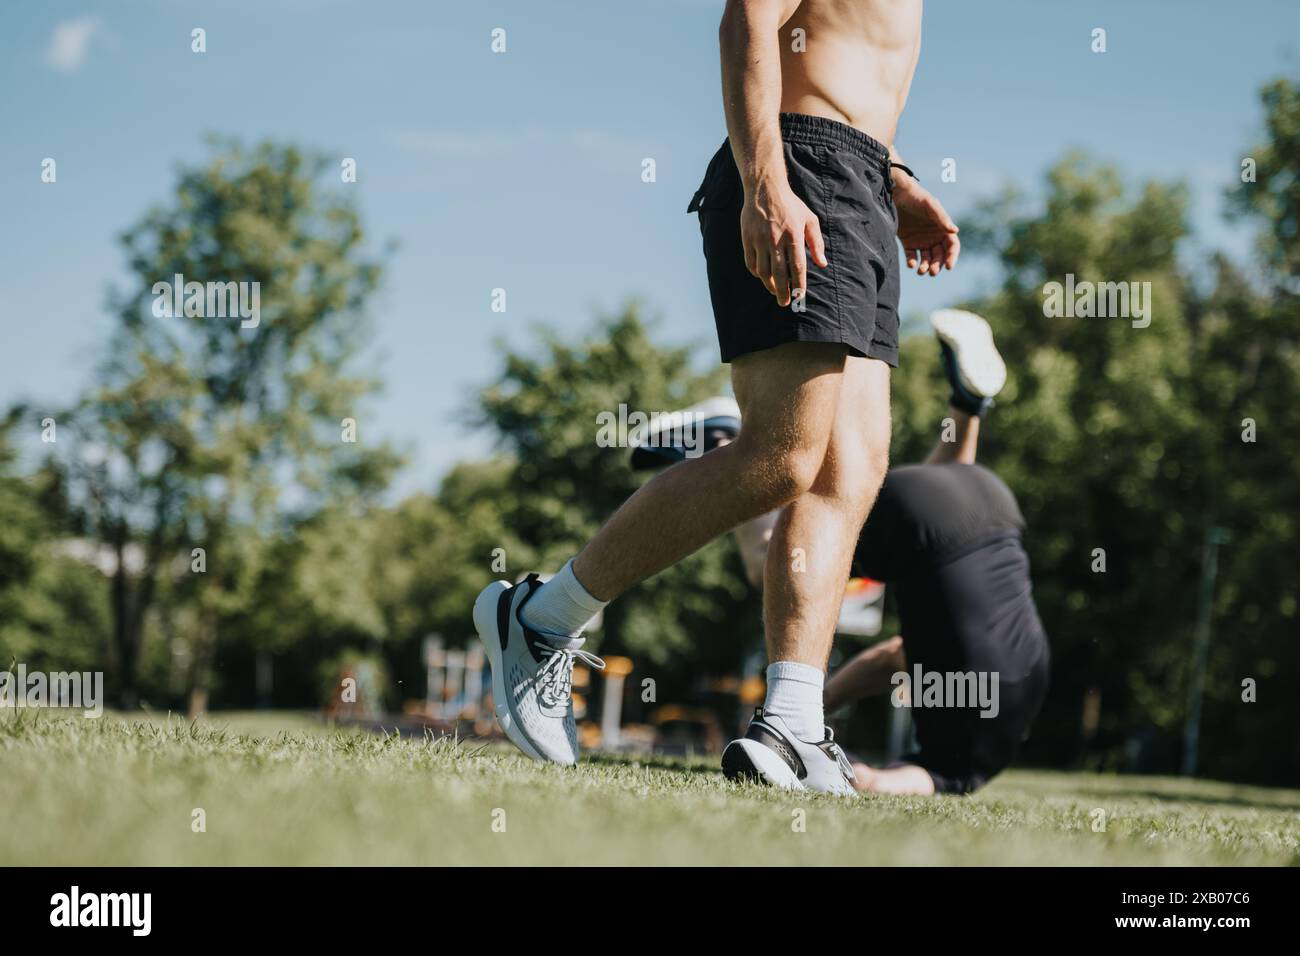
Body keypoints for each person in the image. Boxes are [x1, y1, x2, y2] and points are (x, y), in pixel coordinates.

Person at [473, 0, 958, 794]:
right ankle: (540, 619)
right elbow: (748, 21)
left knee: (852, 470)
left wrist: (896, 180)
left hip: (861, 179)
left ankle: (794, 726)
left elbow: (850, 61)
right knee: (782, 456)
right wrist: (764, 179)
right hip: (803, 166)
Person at [634, 311, 1049, 795]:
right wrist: (810, 720)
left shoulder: (1018, 681)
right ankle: (726, 437)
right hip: (935, 532)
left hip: (980, 498)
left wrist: (817, 704)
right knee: (778, 561)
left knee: (879, 517)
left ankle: (969, 405)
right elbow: (870, 779)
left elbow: (891, 657)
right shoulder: (957, 769)